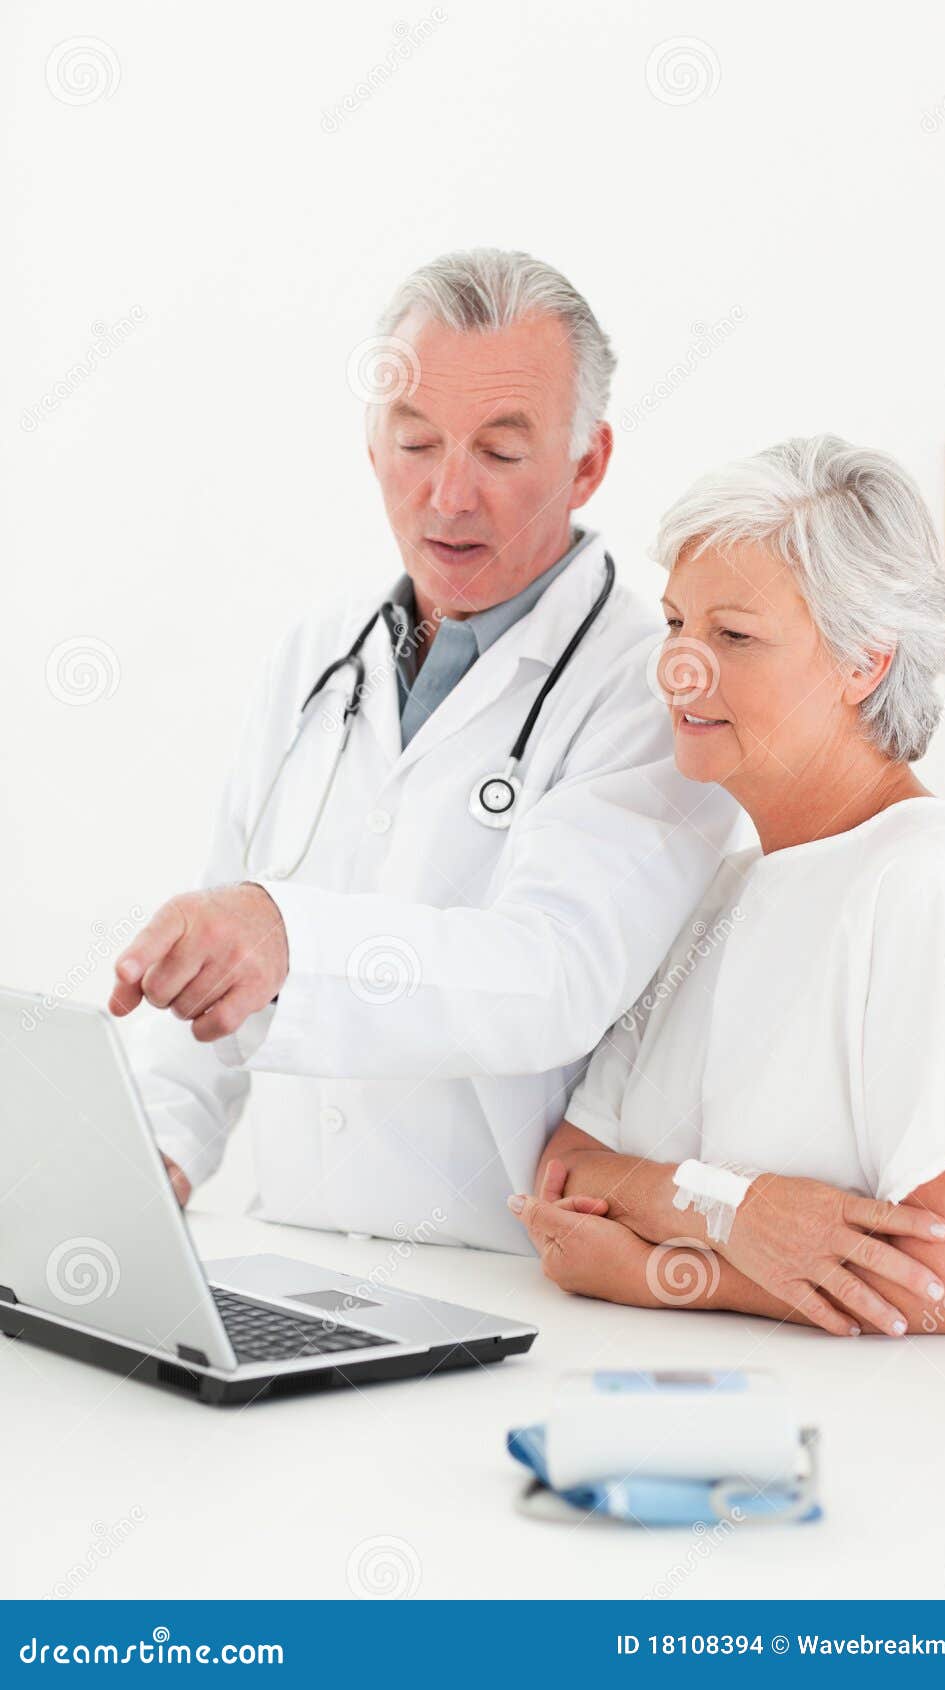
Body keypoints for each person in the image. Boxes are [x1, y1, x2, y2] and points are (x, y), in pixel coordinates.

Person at [108, 247, 748, 1251]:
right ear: (371, 446)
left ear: (587, 462)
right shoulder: (316, 655)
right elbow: (217, 957)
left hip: (509, 1283)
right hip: (291, 1255)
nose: (449, 495)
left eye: (499, 453)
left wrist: (294, 941)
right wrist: (148, 1159)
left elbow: (554, 976)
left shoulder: (649, 688)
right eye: (414, 442)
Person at [510, 435, 945, 1332]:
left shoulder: (934, 885)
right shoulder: (720, 886)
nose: (679, 668)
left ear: (864, 662)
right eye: (675, 624)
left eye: (733, 635)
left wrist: (661, 1271)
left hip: (903, 1449)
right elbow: (568, 1178)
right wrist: (735, 1208)